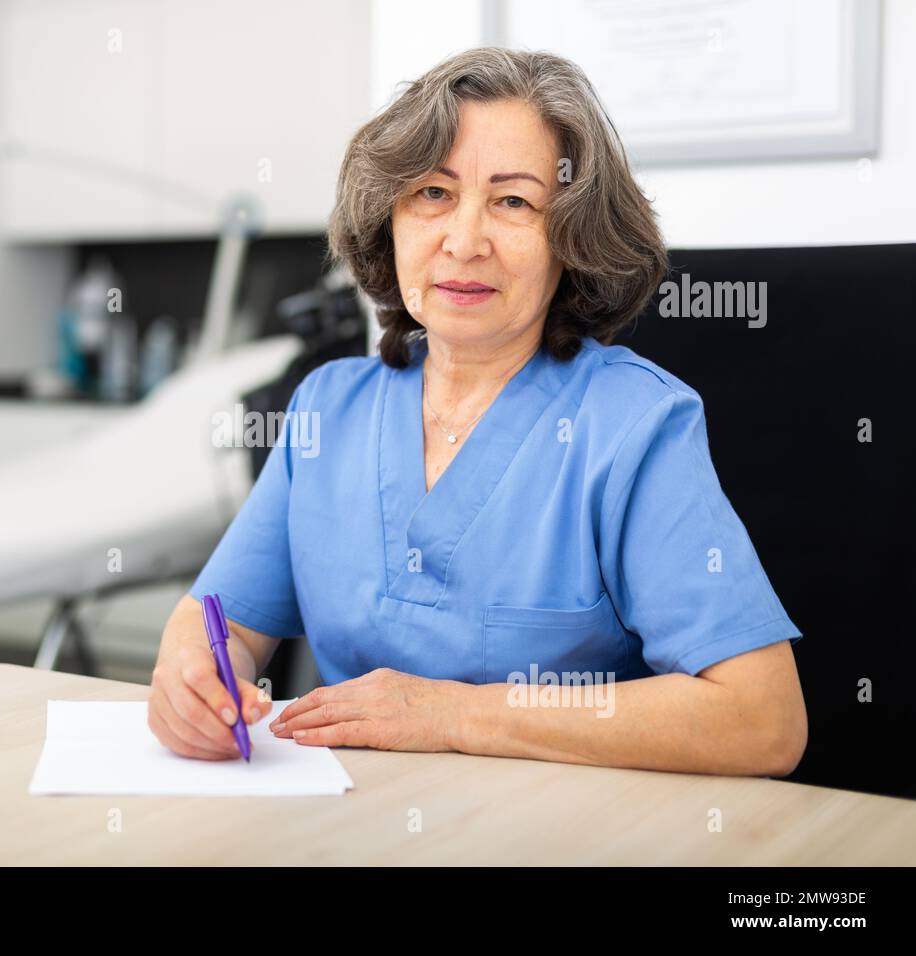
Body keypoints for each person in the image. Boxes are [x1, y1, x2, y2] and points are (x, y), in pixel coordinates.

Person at [148, 47, 807, 777]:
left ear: (572, 240)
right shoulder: (326, 410)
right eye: (432, 193)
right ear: (387, 220)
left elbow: (762, 721)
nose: (464, 241)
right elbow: (221, 624)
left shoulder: (633, 426)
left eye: (514, 201)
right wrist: (191, 678)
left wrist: (452, 713)